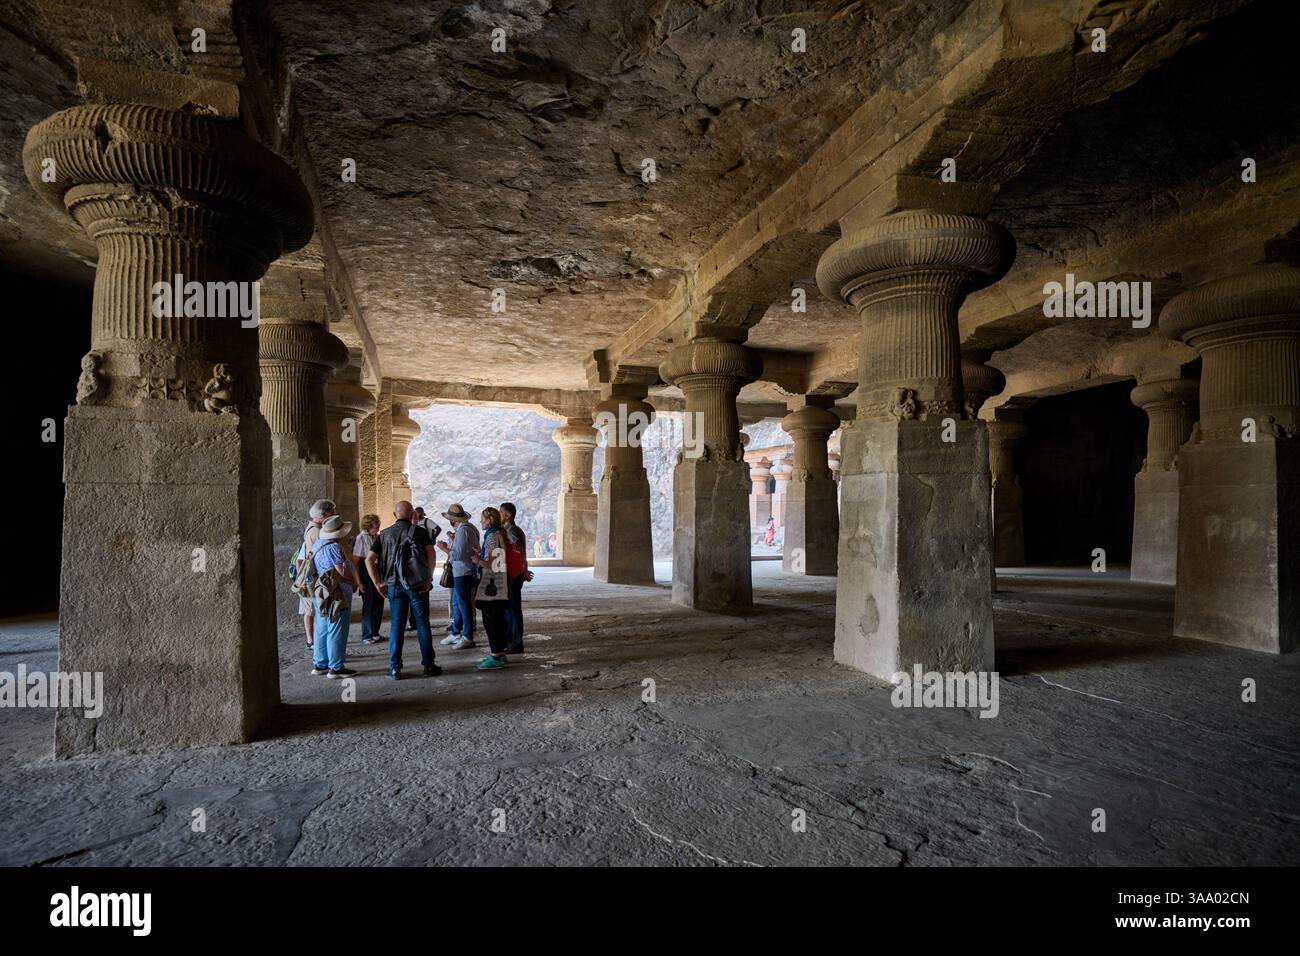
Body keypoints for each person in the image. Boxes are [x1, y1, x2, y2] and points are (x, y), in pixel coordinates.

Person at [365, 500, 441, 680]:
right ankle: (428, 665)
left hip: (394, 585)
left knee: (396, 626)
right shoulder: (420, 532)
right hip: (417, 585)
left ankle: (395, 668)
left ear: (394, 515)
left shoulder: (384, 535)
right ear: (412, 514)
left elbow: (369, 560)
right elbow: (432, 554)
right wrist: (428, 578)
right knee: (422, 624)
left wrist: (378, 583)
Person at [310, 515, 360, 678]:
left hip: (321, 590)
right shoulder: (334, 547)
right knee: (337, 628)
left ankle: (320, 663)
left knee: (322, 627)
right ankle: (336, 666)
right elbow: (341, 571)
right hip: (337, 591)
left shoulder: (318, 544)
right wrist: (353, 581)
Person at [471, 507, 512, 670]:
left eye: (483, 519)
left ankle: (496, 655)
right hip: (497, 586)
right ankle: (499, 654)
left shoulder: (493, 536)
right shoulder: (496, 534)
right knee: (496, 620)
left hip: (492, 586)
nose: (481, 522)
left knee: (492, 621)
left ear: (489, 520)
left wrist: (477, 561)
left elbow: (494, 564)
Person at [437, 503, 480, 650]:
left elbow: (458, 555)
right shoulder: (470, 528)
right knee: (459, 603)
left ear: (452, 520)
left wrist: (444, 548)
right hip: (465, 571)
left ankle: (467, 636)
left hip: (463, 572)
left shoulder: (463, 531)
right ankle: (456, 632)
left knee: (464, 605)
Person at [297, 499, 336, 649]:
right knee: (318, 613)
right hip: (314, 578)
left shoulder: (312, 528)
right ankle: (317, 646)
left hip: (309, 576)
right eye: (331, 512)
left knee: (314, 611)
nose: (334, 515)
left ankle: (314, 643)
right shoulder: (316, 531)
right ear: (323, 515)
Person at [499, 502, 534, 655]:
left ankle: (516, 643)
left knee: (512, 610)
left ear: (507, 516)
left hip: (513, 575)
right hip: (515, 573)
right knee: (511, 609)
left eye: (501, 512)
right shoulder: (514, 529)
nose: (499, 515)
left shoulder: (511, 530)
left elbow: (518, 549)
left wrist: (524, 569)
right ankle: (512, 641)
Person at [353, 513, 384, 645]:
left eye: (378, 522)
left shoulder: (377, 537)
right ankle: (367, 634)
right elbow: (355, 562)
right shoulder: (361, 538)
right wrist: (359, 582)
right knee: (369, 605)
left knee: (379, 603)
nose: (378, 525)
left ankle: (375, 632)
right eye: (375, 523)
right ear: (369, 525)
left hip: (378, 571)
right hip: (366, 572)